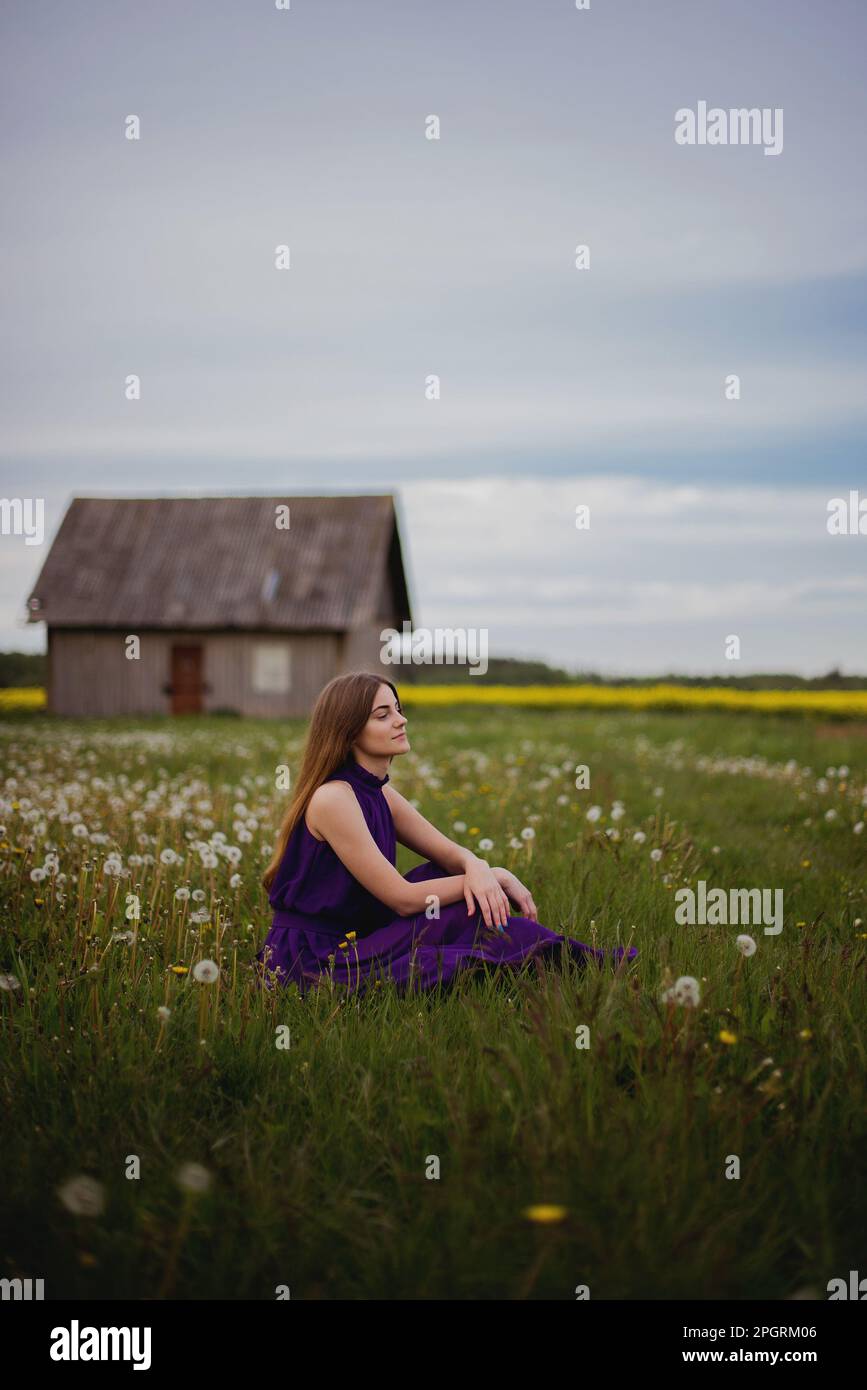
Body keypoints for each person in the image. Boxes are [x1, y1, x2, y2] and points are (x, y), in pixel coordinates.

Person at [255, 670, 636, 996]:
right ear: (349, 731)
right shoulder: (333, 799)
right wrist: (495, 877)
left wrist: (479, 867)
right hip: (317, 958)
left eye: (399, 710)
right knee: (452, 946)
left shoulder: (379, 793)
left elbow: (453, 855)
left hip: (361, 936)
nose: (401, 720)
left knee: (447, 881)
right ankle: (562, 961)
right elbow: (402, 899)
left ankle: (564, 960)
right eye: (383, 715)